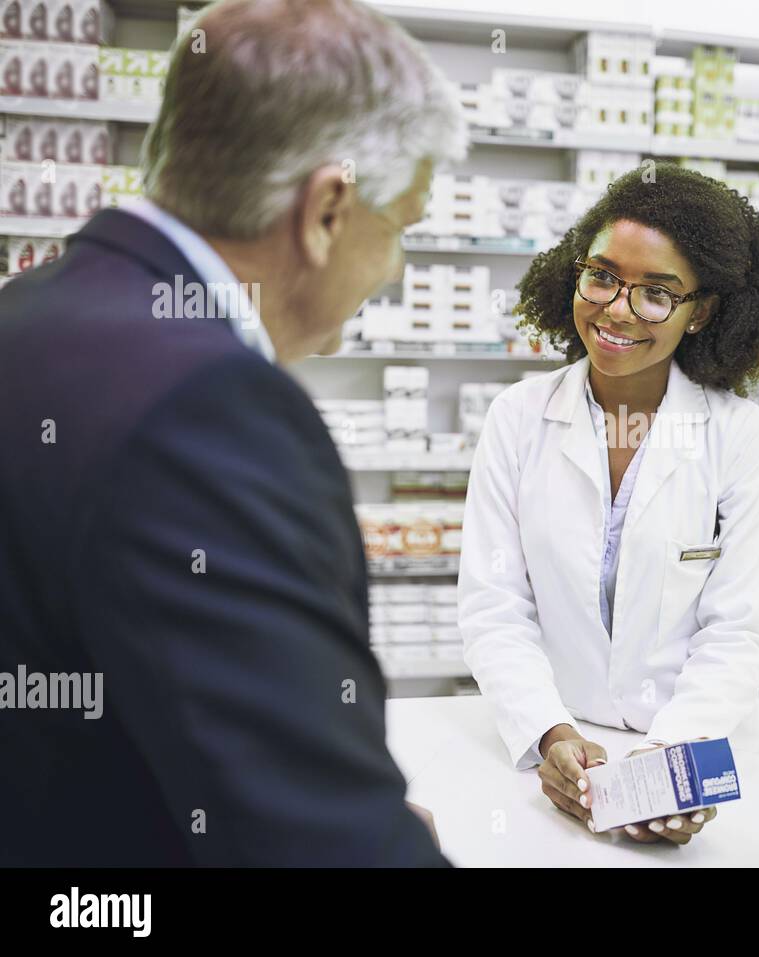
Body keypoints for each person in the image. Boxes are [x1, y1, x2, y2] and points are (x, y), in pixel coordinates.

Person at [0, 0, 465, 866]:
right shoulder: (212, 408)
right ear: (328, 209)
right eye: (399, 226)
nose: (396, 267)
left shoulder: (27, 311)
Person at [458, 163, 759, 845]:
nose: (616, 308)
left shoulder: (738, 437)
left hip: (694, 749)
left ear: (700, 310)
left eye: (656, 294)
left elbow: (738, 630)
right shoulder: (518, 417)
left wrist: (665, 765)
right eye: (603, 276)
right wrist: (550, 731)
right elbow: (494, 604)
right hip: (562, 749)